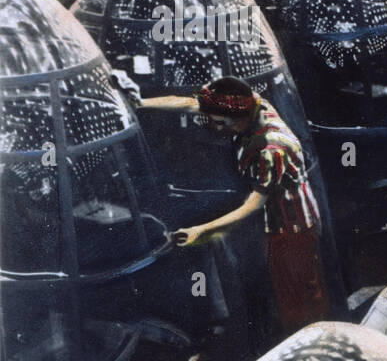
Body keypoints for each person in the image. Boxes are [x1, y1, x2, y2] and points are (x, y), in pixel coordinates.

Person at [137, 77, 330, 334]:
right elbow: (187, 104)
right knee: (286, 288)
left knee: (298, 295)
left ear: (237, 120)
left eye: (220, 124)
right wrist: (139, 103)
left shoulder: (269, 149)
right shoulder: (249, 106)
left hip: (292, 226)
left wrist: (202, 230)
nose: (215, 128)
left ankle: (306, 341)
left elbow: (253, 204)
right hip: (280, 221)